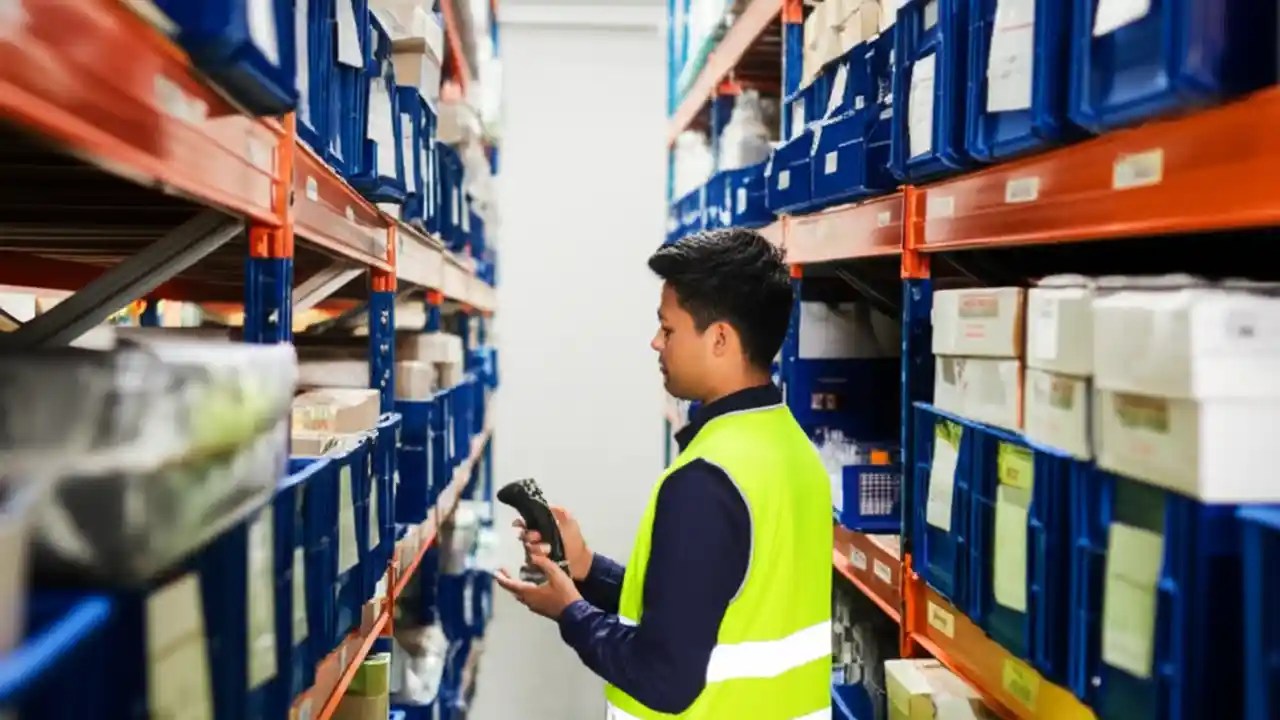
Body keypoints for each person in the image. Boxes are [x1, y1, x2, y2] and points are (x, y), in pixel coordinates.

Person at [494, 229, 833, 719]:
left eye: (668, 329)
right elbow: (700, 610)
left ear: (719, 339)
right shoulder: (793, 450)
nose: (655, 342)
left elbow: (663, 676)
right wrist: (587, 567)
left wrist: (569, 610)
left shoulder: (706, 480)